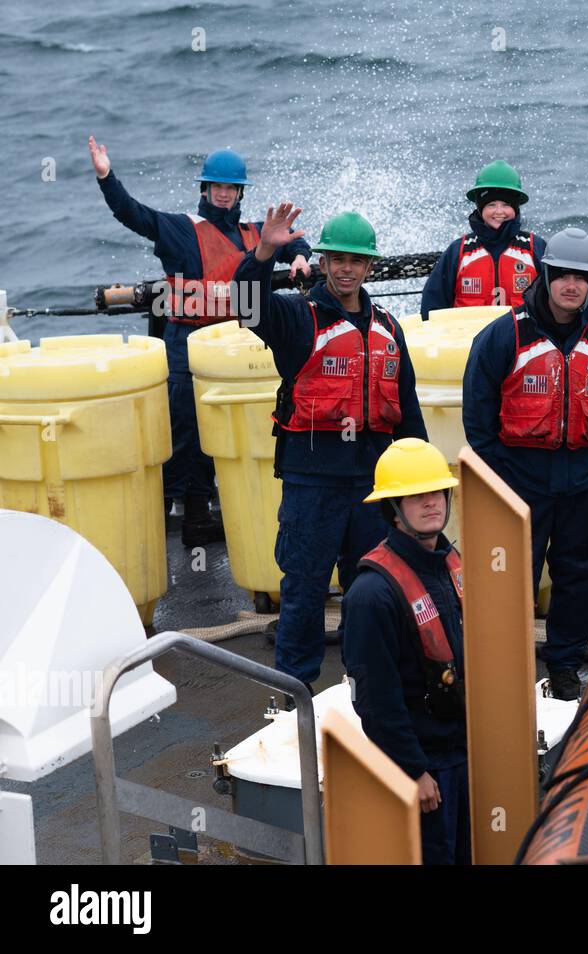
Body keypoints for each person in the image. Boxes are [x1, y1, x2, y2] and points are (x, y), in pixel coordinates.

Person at [232, 203, 428, 697]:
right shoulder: (297, 318)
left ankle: (370, 689)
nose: (346, 268)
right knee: (304, 589)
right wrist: (264, 252)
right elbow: (247, 306)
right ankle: (292, 695)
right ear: (322, 263)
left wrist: (419, 485)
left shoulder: (388, 327)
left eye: (356, 261)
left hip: (371, 485)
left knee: (373, 592)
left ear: (369, 267)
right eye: (337, 259)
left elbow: (406, 408)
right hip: (312, 483)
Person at [88, 137, 313, 545]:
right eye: (217, 187)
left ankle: (227, 505)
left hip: (234, 351)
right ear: (205, 190)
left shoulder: (255, 234)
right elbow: (132, 214)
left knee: (233, 426)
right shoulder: (180, 230)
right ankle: (190, 518)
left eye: (231, 188)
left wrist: (299, 255)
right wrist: (106, 177)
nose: (224, 194)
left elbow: (290, 238)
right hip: (186, 346)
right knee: (188, 430)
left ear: (240, 193)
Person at [462, 228, 588, 700]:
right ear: (544, 276)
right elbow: (478, 405)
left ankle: (564, 666)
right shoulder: (506, 334)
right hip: (521, 483)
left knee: (581, 576)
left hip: (586, 482)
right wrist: (494, 470)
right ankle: (505, 666)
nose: (571, 285)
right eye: (562, 275)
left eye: (580, 277)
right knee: (509, 577)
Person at [343, 438, 469, 865]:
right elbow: (376, 699)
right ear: (393, 507)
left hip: (464, 754)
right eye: (416, 496)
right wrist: (412, 770)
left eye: (436, 492)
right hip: (426, 767)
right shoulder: (372, 594)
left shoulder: (450, 563)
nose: (430, 503)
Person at [419, 161, 547, 316]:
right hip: (466, 338)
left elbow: (554, 300)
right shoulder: (459, 251)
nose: (499, 211)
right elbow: (432, 305)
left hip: (522, 338)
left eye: (506, 204)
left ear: (516, 207)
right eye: (491, 204)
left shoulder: (535, 247)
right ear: (480, 208)